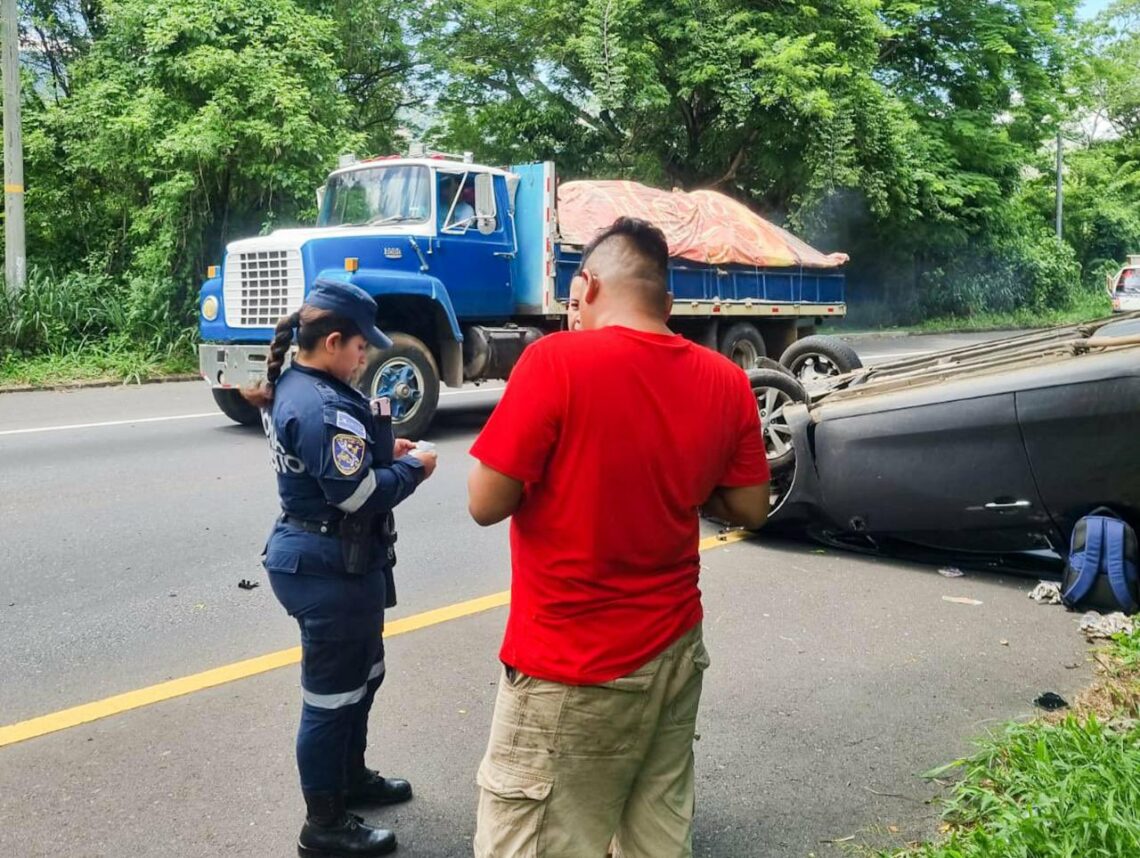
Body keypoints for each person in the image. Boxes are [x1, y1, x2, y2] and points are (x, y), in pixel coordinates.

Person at [466, 217, 771, 857]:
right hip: (675, 651)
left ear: (587, 286)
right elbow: (750, 506)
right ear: (667, 302)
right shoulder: (726, 380)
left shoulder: (554, 361)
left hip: (570, 665)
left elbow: (486, 502)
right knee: (654, 836)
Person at [242, 279, 438, 857]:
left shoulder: (302, 384)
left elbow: (328, 465)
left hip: (340, 562)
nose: (364, 356)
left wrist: (386, 451)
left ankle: (350, 779)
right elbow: (356, 495)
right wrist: (416, 469)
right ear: (332, 342)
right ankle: (323, 823)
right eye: (359, 346)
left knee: (363, 677)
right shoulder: (322, 404)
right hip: (327, 567)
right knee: (330, 700)